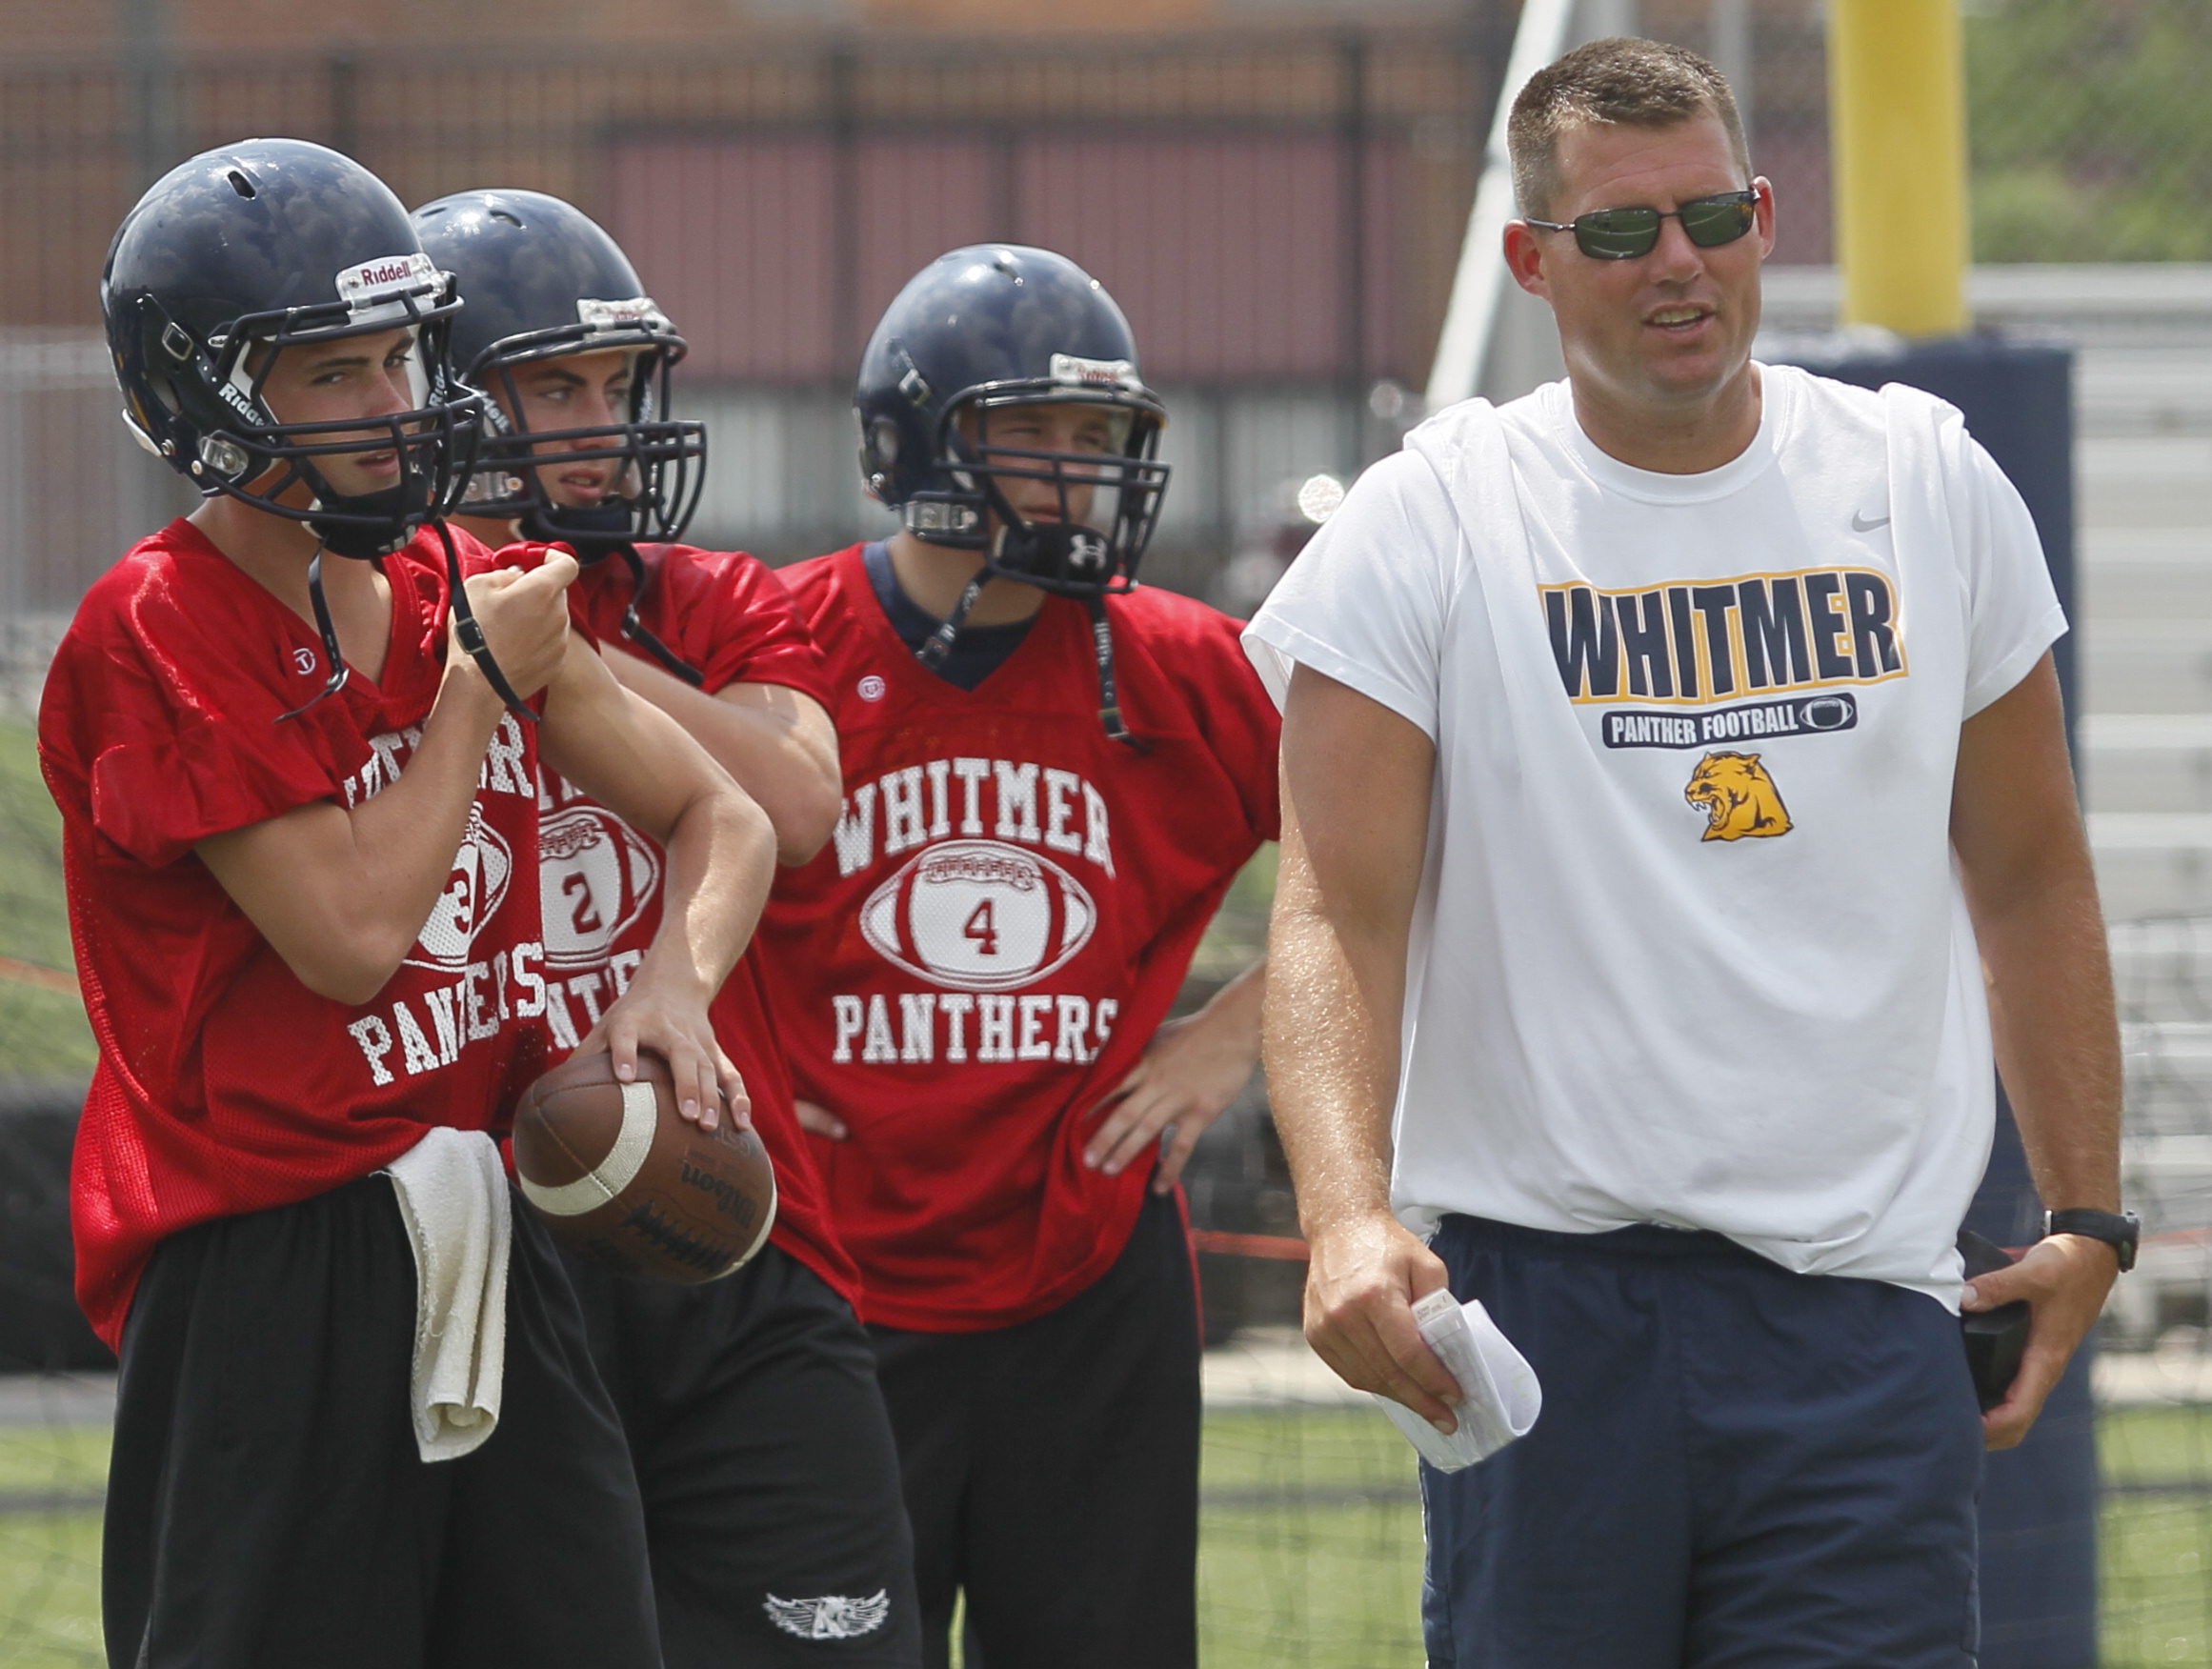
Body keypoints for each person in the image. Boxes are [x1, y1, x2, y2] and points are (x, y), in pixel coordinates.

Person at [1243, 39, 2127, 1669]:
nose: (1678, 262)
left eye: (1711, 215)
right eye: (1619, 230)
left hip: (1859, 1312)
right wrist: (1347, 1219)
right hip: (1540, 1311)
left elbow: (2029, 875)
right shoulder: (1429, 517)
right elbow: (1334, 911)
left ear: (1762, 214)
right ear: (1530, 258)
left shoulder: (1921, 480)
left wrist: (2088, 1216)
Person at [46, 138, 774, 1669]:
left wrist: (668, 990)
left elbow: (729, 816)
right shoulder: (154, 625)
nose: (390, 406)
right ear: (206, 400)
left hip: (495, 1228)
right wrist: (476, 693)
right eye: (331, 373)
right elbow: (351, 939)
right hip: (267, 1270)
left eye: (397, 356)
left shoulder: (460, 577)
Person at [754, 244, 1281, 1669]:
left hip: (1087, 1266)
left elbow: (1410, 861)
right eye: (1028, 431)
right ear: (917, 438)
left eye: (1097, 438)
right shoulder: (771, 644)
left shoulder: (1187, 665)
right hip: (822, 1277)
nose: (1072, 472)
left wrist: (1230, 1041)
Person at [418, 186, 923, 1664]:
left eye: (613, 382)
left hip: (720, 1214)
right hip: (478, 1250)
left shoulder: (710, 598)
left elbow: (794, 797)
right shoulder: (370, 615)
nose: (598, 419)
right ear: (447, 402)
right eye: (550, 385)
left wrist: (558, 643)